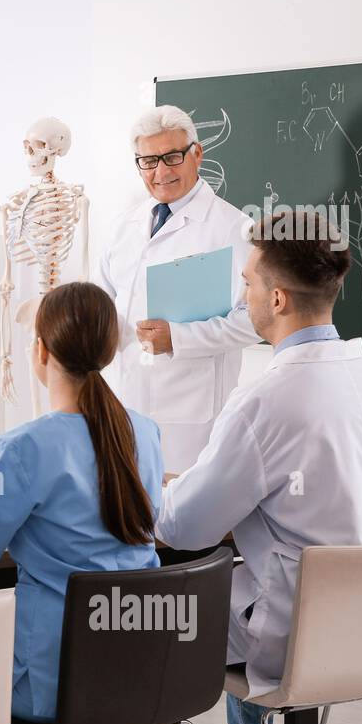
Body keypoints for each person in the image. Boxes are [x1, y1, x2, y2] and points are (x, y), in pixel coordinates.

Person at [138, 209, 362, 724]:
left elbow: (184, 528)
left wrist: (153, 486)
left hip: (302, 639)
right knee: (248, 586)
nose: (242, 299)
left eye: (247, 285)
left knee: (142, 631)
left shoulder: (265, 399)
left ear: (278, 299)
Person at [0, 282, 164, 724]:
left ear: (40, 351)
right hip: (143, 669)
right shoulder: (145, 434)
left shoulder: (22, 449)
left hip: (57, 683)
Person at [97, 105, 259, 474]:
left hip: (191, 422)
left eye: (172, 157)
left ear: (196, 154)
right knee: (125, 521)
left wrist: (179, 338)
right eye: (148, 161)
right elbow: (101, 299)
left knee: (182, 526)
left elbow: (255, 322)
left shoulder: (234, 228)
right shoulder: (125, 225)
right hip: (125, 406)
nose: (161, 171)